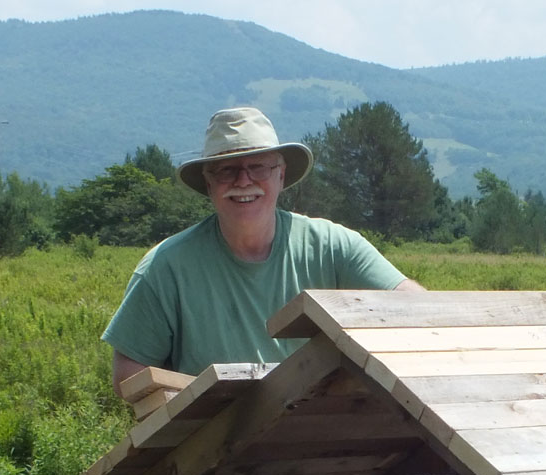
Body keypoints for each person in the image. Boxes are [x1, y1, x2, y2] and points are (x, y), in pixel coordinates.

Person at [103, 106, 424, 396]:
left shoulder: (335, 247)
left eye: (257, 167)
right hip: (212, 448)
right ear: (209, 183)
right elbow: (129, 374)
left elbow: (416, 309)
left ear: (281, 175)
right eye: (226, 170)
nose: (243, 181)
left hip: (325, 433)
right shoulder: (166, 266)